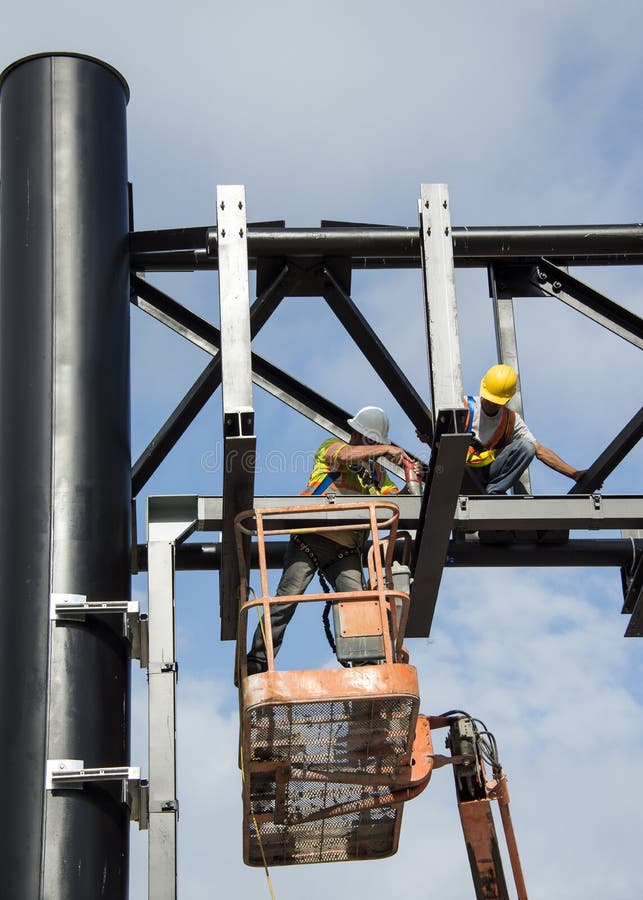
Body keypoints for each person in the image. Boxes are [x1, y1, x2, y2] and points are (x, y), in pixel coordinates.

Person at [246, 406, 413, 675]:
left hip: (345, 551)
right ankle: (257, 660)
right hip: (310, 541)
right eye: (371, 442)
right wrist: (385, 451)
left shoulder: (377, 476)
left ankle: (365, 665)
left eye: (376, 443)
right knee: (284, 602)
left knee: (358, 605)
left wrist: (413, 483)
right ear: (358, 434)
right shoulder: (331, 448)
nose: (373, 447)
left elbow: (396, 501)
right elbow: (347, 455)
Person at [463, 364, 585, 494]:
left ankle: (494, 492)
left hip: (487, 473)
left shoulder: (510, 420)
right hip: (459, 471)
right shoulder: (464, 406)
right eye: (489, 399)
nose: (491, 403)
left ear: (506, 399)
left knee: (527, 447)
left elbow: (540, 451)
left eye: (496, 402)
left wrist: (574, 474)